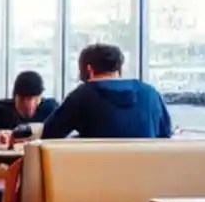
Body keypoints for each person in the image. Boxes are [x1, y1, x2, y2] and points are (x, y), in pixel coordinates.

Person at [41, 44, 173, 139]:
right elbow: (165, 133)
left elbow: (49, 134)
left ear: (88, 70)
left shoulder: (81, 96)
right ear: (118, 69)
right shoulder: (150, 93)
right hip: (148, 173)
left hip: (95, 174)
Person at [0, 70, 60, 143]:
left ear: (40, 97)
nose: (28, 105)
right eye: (22, 99)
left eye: (33, 98)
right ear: (14, 97)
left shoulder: (52, 110)